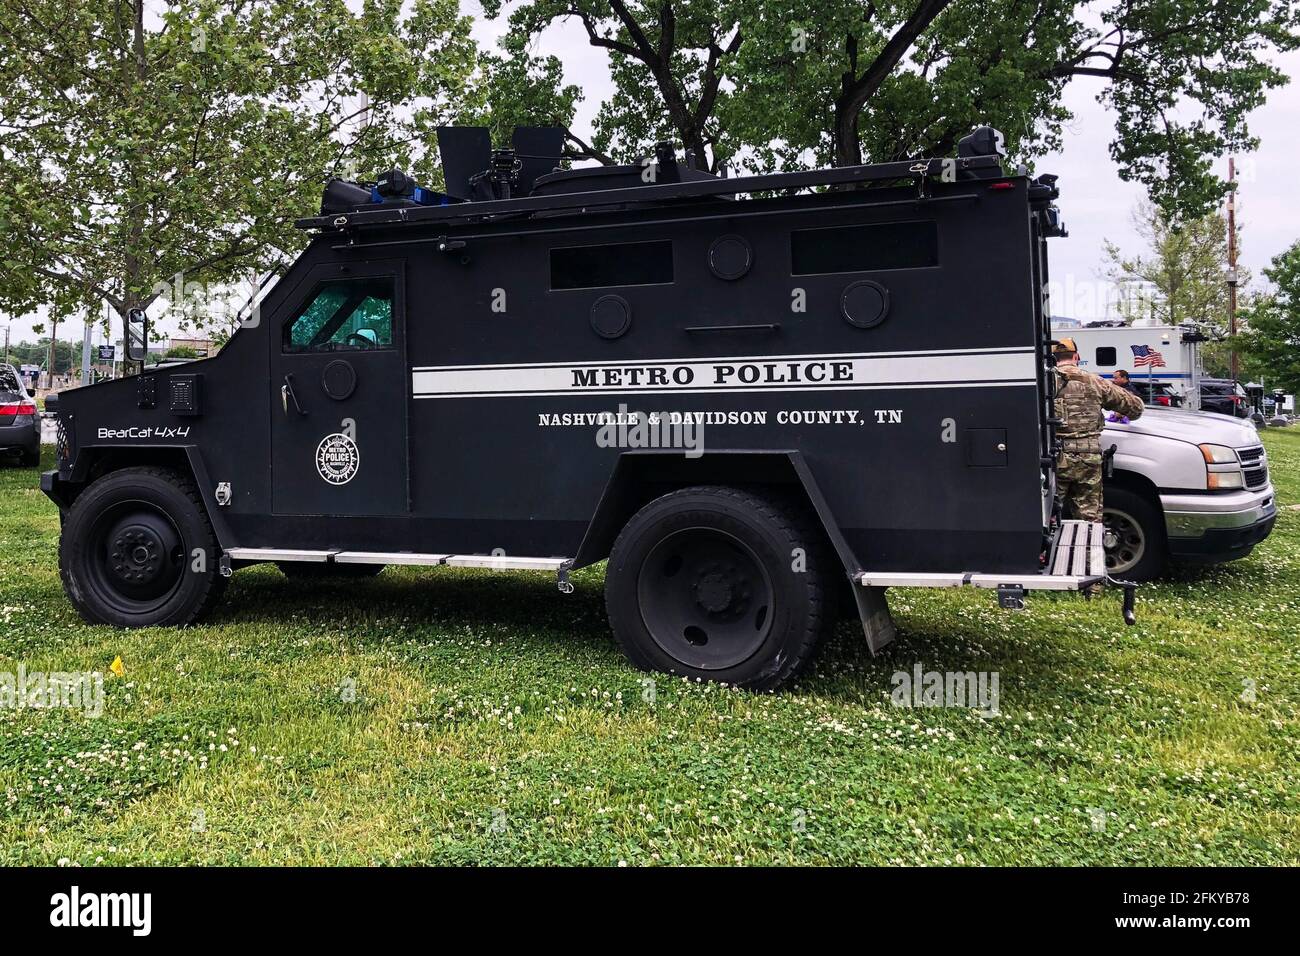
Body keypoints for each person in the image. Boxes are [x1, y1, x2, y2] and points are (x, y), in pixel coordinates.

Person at [1052, 338, 1145, 591]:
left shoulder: (1046, 382)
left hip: (1054, 458)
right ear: (1077, 355)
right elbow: (1135, 408)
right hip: (1088, 457)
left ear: (1053, 357)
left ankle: (1048, 574)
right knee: (1090, 520)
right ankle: (1092, 582)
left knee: (1049, 515)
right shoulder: (1094, 381)